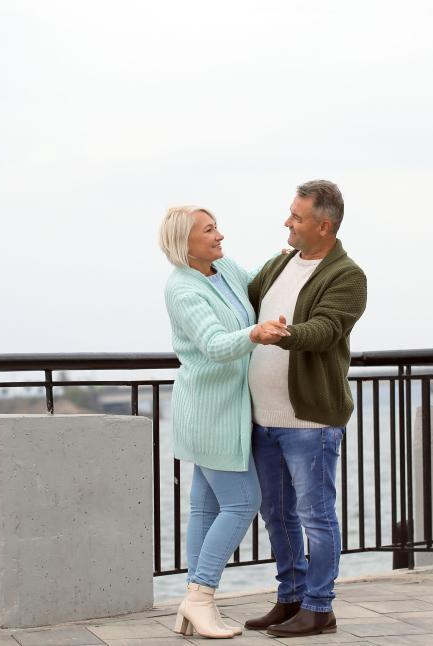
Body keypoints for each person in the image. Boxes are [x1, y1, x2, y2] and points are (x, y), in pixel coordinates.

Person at [159, 205, 290, 639]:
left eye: (216, 228)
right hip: (210, 410)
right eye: (210, 230)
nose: (220, 236)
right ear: (185, 242)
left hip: (224, 408)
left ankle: (192, 606)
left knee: (206, 507)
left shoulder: (225, 269)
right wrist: (255, 334)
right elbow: (215, 345)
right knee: (242, 502)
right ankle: (200, 597)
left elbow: (259, 285)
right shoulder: (182, 288)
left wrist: (292, 256)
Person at [244, 180, 367, 637]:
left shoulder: (348, 276)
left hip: (309, 422)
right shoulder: (280, 264)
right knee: (277, 515)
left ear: (324, 224)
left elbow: (326, 330)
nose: (287, 222)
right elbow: (243, 297)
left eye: (296, 217)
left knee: (316, 516)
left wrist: (283, 333)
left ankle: (320, 607)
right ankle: (291, 597)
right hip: (264, 419)